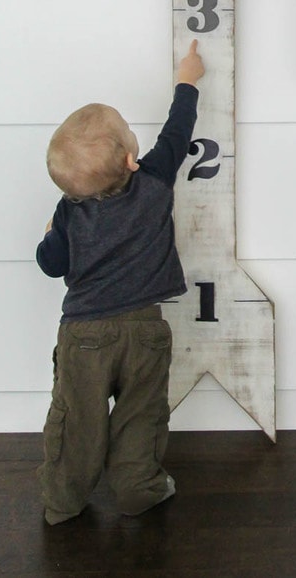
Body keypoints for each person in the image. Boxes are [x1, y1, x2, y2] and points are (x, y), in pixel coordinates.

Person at [36, 40, 205, 525]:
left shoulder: (69, 212)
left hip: (84, 335)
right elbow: (178, 131)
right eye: (131, 134)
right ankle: (138, 488)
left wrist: (48, 238)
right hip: (145, 332)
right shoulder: (153, 180)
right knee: (141, 415)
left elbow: (52, 265)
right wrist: (187, 79)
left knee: (78, 422)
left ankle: (63, 501)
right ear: (132, 159)